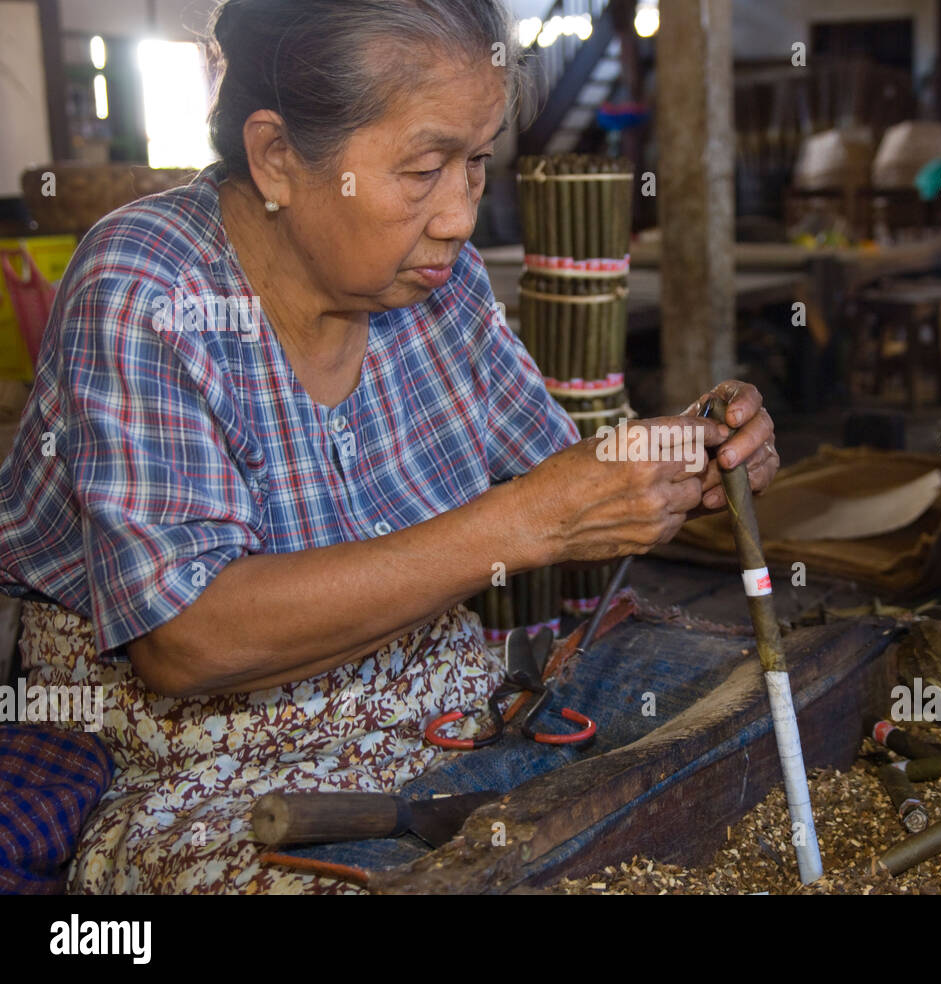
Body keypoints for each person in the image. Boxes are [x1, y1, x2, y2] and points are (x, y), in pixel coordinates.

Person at [0, 0, 778, 894]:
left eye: (478, 163)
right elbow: (187, 642)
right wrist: (526, 525)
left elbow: (568, 484)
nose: (458, 215)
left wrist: (691, 456)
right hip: (202, 777)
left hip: (446, 721)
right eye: (423, 169)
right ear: (278, 158)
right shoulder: (146, 288)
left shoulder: (442, 289)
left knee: (712, 773)